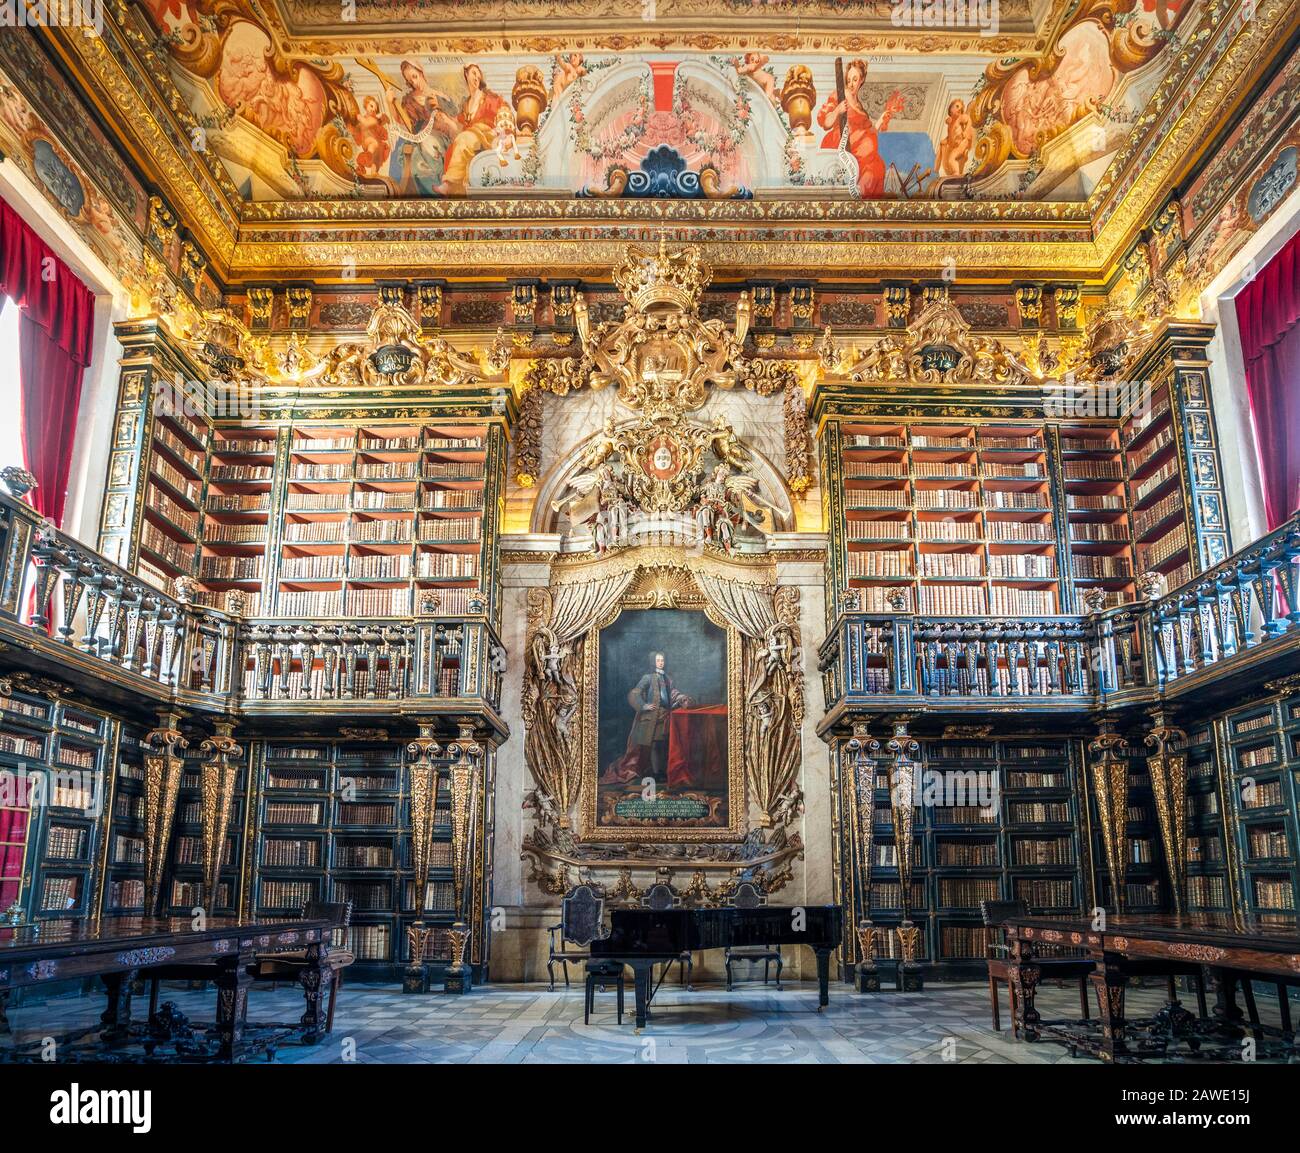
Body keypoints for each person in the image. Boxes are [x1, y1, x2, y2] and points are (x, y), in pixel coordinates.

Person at [817, 59, 905, 199]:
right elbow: (825, 123)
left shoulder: (860, 107)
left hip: (862, 152)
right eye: (849, 79)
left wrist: (884, 116)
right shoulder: (840, 94)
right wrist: (837, 111)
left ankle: (859, 201)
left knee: (877, 166)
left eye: (855, 79)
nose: (851, 84)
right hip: (843, 144)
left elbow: (870, 132)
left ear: (862, 80)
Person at [609, 652, 693, 783]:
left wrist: (681, 697)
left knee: (663, 744)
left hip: (665, 716)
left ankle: (662, 771)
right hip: (651, 717)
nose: (661, 662)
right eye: (658, 660)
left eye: (662, 660)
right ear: (653, 662)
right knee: (653, 745)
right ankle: (655, 773)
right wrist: (643, 705)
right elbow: (635, 693)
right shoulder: (648, 677)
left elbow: (673, 693)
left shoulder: (668, 678)